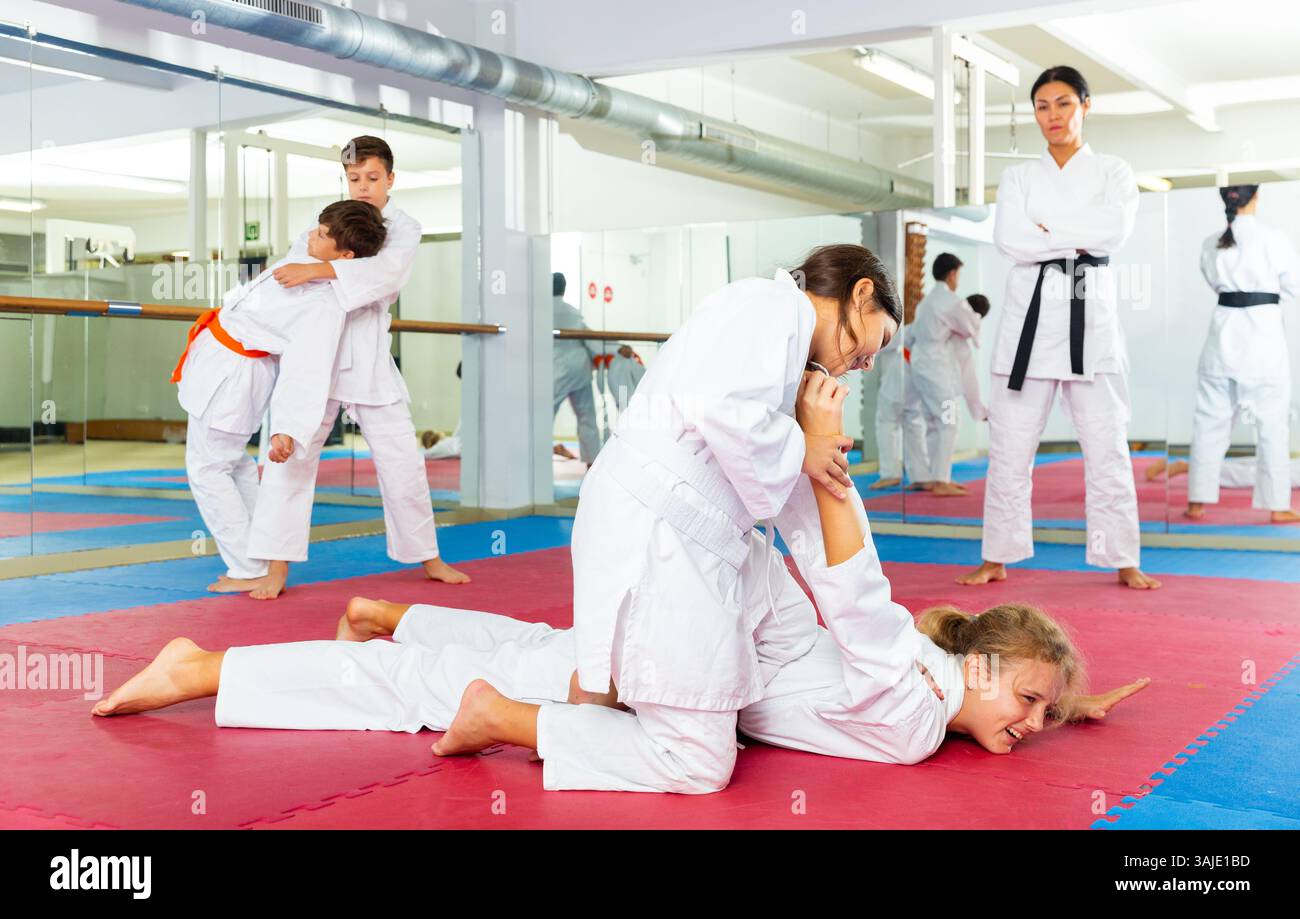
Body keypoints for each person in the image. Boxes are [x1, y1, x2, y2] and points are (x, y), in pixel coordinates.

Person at [93, 372, 1148, 772]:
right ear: (985, 665)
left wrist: (1066, 699)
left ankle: (392, 616)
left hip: (716, 608)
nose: (1030, 722)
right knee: (455, 696)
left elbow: (924, 632)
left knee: (536, 650)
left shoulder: (934, 669)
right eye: (1026, 699)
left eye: (1040, 716)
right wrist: (823, 459)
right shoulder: (916, 711)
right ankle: (212, 669)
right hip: (707, 635)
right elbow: (870, 602)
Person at [957, 66, 1160, 591]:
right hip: (1028, 324)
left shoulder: (1113, 171)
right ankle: (997, 555)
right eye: (1043, 105)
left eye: (1064, 103)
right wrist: (1075, 237)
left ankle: (1123, 557)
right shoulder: (1020, 177)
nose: (1053, 115)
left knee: (1107, 445)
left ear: (1085, 106)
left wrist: (1048, 231)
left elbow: (1113, 233)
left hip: (1090, 324)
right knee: (1009, 449)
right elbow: (1010, 240)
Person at [241, 136, 469, 599]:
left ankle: (429, 556)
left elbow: (387, 276)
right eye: (353, 178)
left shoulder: (404, 226)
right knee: (290, 459)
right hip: (315, 355)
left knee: (403, 463)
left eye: (371, 178)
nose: (362, 187)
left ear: (390, 178)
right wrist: (309, 271)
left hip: (368, 360)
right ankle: (275, 569)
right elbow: (289, 271)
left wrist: (319, 271)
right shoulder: (325, 220)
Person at [174, 201, 387, 593]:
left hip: (236, 374)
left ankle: (246, 566)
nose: (312, 234)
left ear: (345, 257)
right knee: (232, 463)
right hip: (222, 359)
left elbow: (308, 368)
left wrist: (286, 428)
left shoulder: (325, 304)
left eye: (323, 235)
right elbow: (318, 234)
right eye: (317, 228)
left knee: (207, 469)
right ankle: (256, 552)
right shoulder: (301, 257)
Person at [1184, 185, 1299, 524]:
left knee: (1209, 421)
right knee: (1271, 425)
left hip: (1221, 337)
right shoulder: (1273, 238)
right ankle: (1277, 505)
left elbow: (1210, 279)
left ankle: (1197, 501)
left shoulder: (1211, 242)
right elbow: (1294, 284)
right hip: (1262, 340)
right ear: (1257, 197)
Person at [907, 253, 989, 495]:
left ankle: (930, 476)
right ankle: (941, 480)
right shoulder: (951, 301)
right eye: (958, 274)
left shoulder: (926, 302)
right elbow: (970, 327)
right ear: (952, 273)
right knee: (949, 419)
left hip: (920, 363)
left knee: (933, 421)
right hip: (935, 365)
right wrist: (974, 319)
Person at [869, 322, 929, 490]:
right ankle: (921, 475)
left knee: (887, 420)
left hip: (903, 368)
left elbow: (886, 340)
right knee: (914, 420)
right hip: (918, 370)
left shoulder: (906, 323)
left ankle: (890, 474)